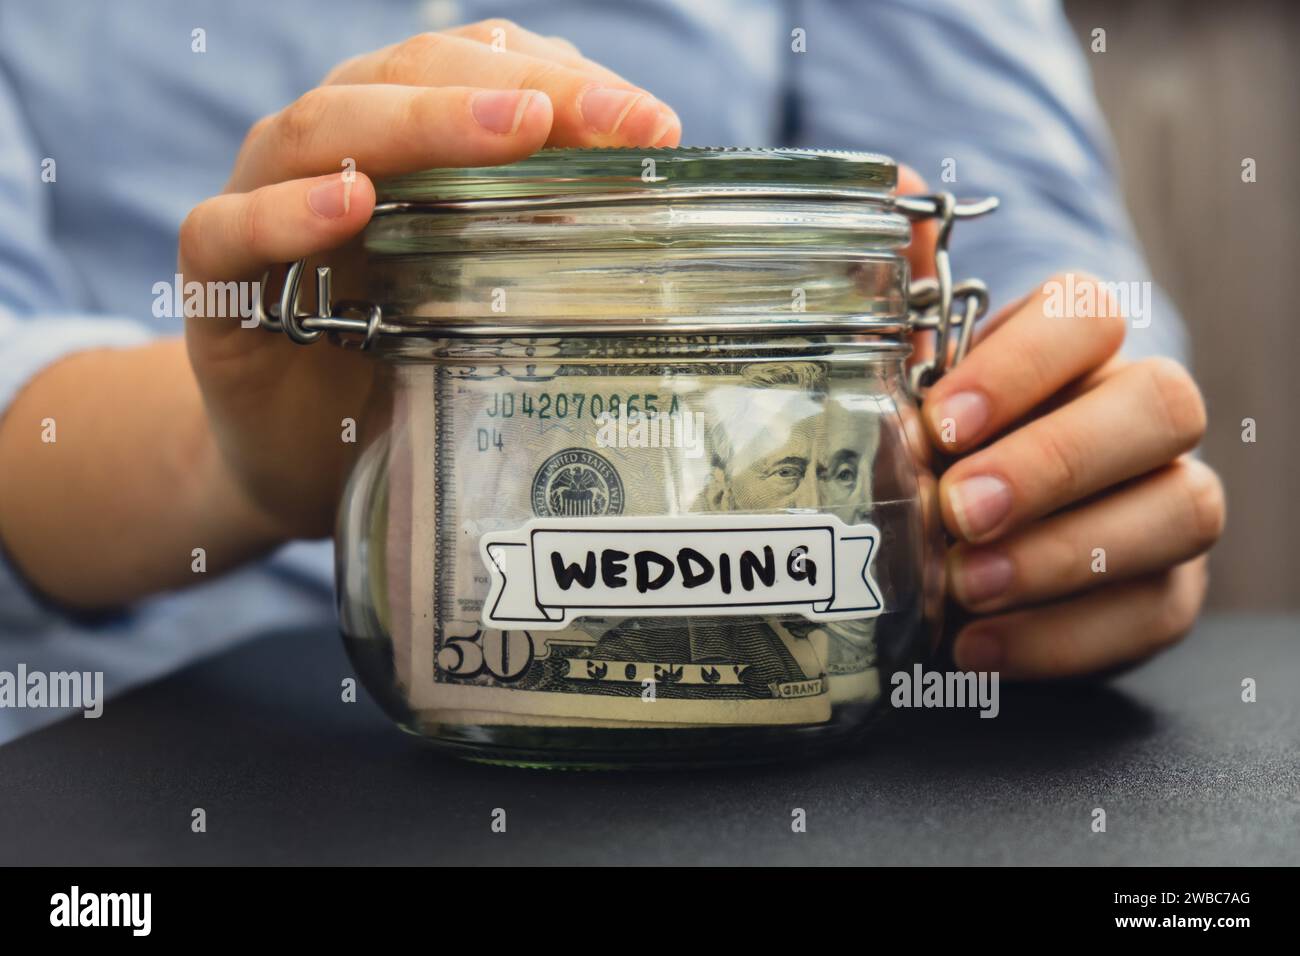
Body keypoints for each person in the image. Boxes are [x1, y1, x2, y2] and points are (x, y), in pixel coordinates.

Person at [0, 0, 1224, 741]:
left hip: (865, 727)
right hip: (123, 715)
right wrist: (241, 459)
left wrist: (1057, 448)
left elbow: (1032, 259)